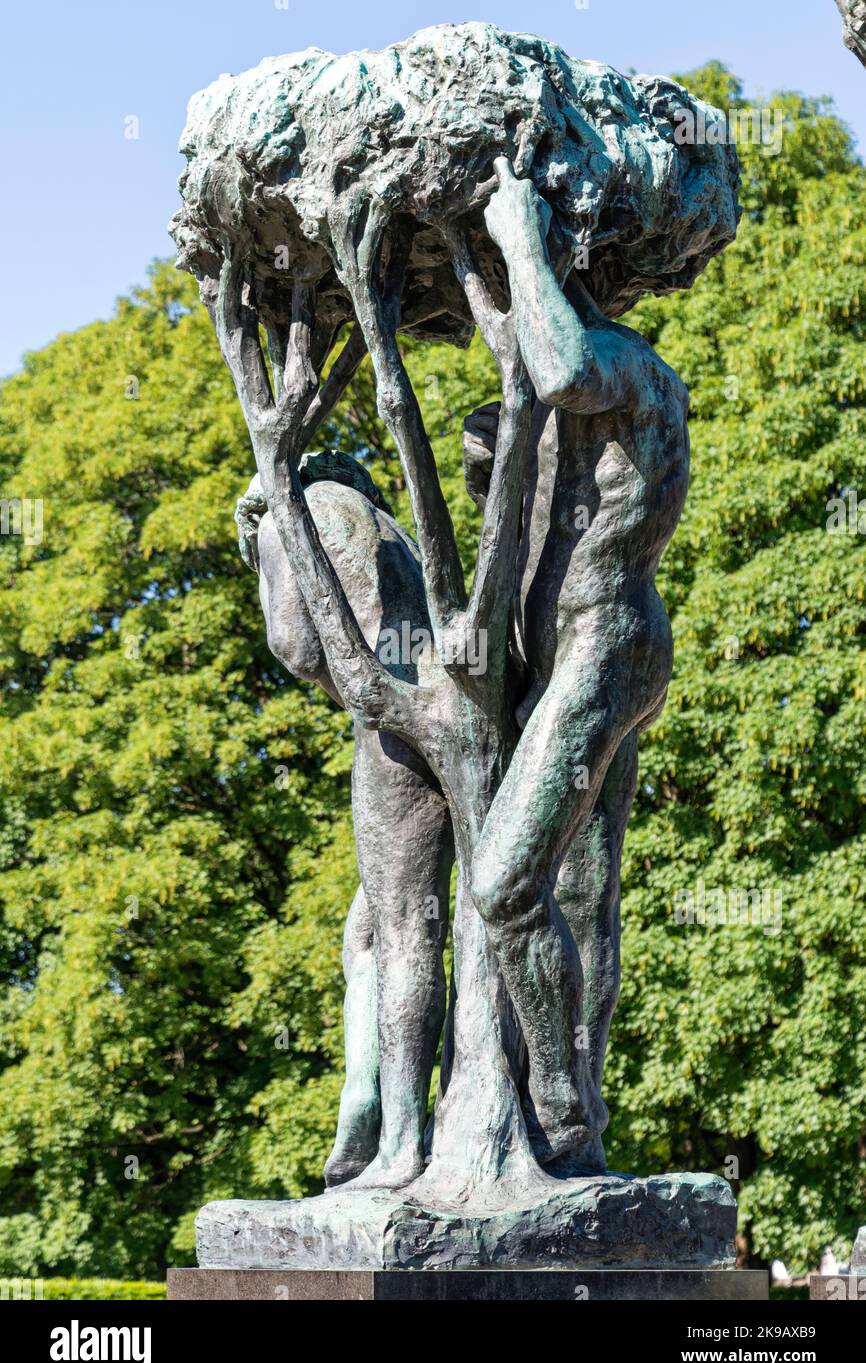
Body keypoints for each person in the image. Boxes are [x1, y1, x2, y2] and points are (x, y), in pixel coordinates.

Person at [463, 157, 690, 1168]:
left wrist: (510, 233)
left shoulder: (631, 370)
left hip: (610, 642)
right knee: (585, 898)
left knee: (506, 884)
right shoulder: (545, 384)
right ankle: (575, 1133)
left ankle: (556, 1108)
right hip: (562, 652)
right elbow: (524, 377)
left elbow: (556, 366)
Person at [236, 452, 453, 1188]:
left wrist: (265, 559)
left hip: (397, 729)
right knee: (373, 929)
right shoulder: (391, 530)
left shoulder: (286, 515)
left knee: (399, 937)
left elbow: (296, 649)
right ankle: (385, 1101)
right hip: (462, 715)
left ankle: (391, 1131)